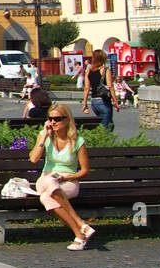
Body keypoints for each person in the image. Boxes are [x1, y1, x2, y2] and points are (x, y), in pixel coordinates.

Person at [28, 103, 96, 250]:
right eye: (51, 119)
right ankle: (80, 223)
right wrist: (44, 136)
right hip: (46, 179)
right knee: (50, 182)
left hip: (68, 181)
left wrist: (68, 177)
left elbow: (84, 170)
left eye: (57, 119)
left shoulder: (77, 141)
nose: (53, 122)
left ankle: (79, 235)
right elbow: (33, 159)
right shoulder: (44, 136)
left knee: (46, 198)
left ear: (67, 119)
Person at [81, 50, 115, 130]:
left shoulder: (88, 71)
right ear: (103, 59)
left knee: (104, 124)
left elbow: (86, 88)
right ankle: (104, 141)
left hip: (94, 102)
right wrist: (115, 101)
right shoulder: (106, 70)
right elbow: (110, 87)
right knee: (107, 127)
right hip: (104, 101)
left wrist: (85, 104)